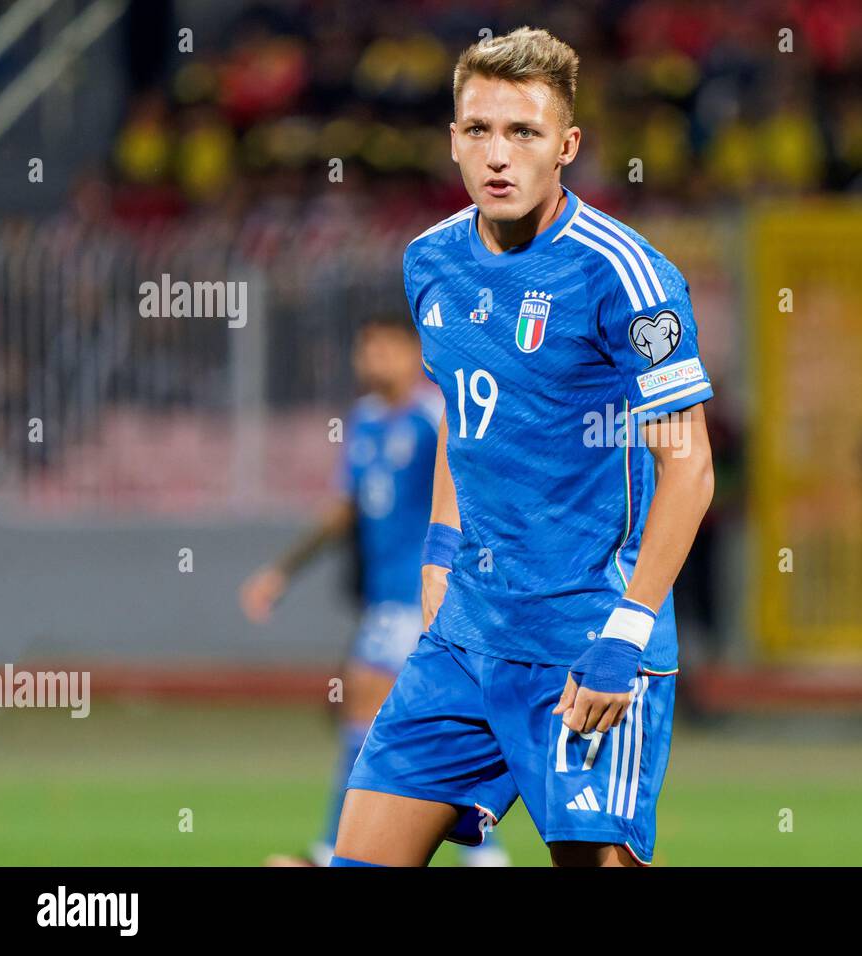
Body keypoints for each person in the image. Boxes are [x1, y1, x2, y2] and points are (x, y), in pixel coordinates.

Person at [331, 27, 716, 867]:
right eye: (479, 130)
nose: (498, 155)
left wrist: (628, 628)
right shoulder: (430, 261)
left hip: (586, 637)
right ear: (453, 141)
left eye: (524, 133)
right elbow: (465, 420)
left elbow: (688, 466)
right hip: (465, 636)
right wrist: (439, 548)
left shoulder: (627, 275)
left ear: (566, 147)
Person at [239, 315, 508, 866]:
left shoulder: (437, 415)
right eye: (366, 348)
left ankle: (334, 849)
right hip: (384, 601)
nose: (372, 359)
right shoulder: (364, 421)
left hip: (430, 597)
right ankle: (478, 855)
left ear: (414, 354)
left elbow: (478, 494)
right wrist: (283, 572)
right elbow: (345, 509)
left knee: (373, 710)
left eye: (385, 348)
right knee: (395, 722)